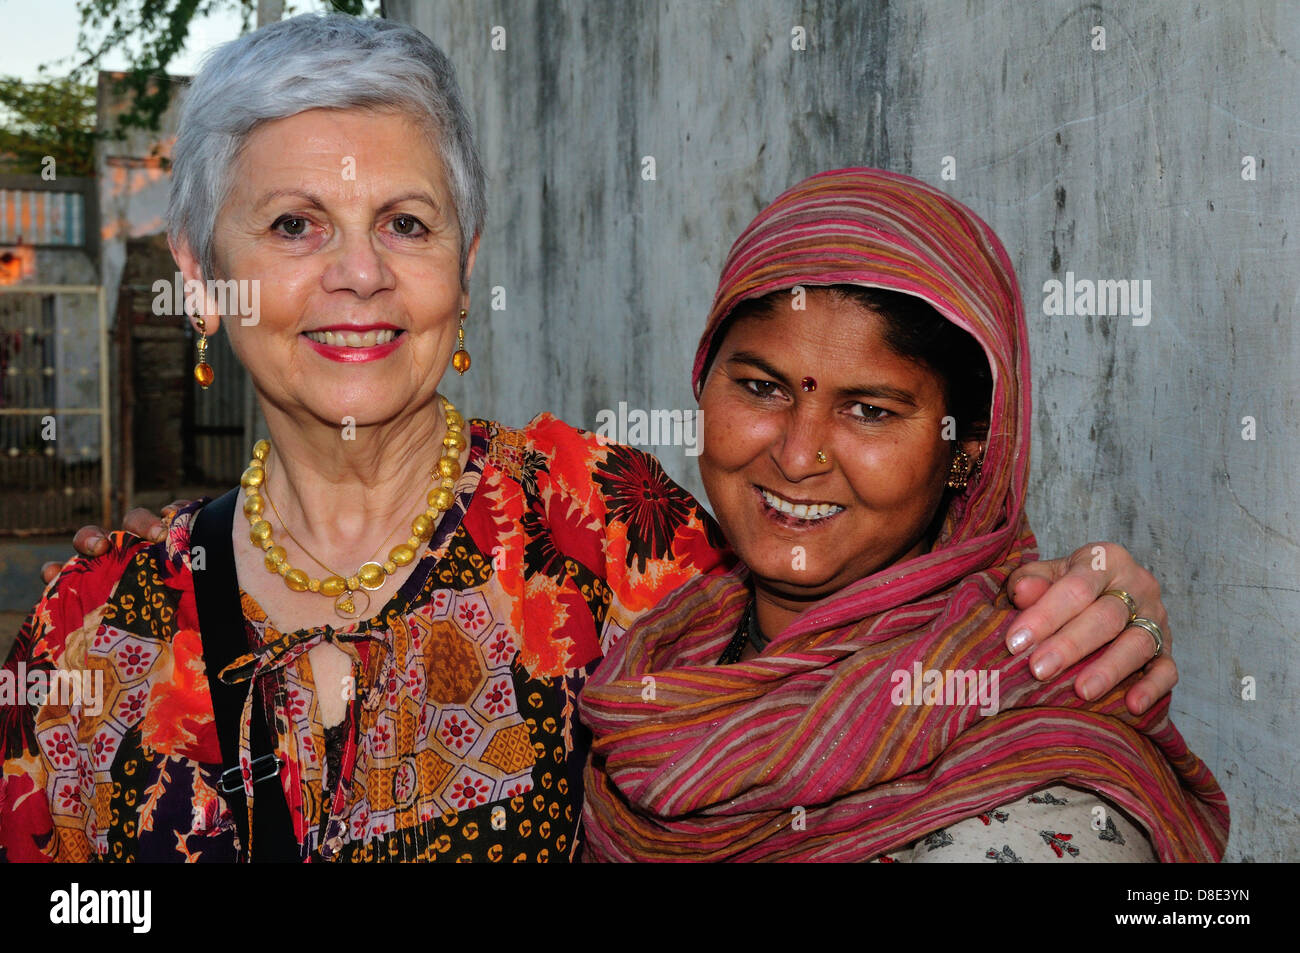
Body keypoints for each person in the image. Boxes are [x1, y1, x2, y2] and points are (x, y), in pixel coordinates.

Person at [4, 14, 1179, 864]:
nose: (357, 273)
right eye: (295, 223)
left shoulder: (615, 535)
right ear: (203, 280)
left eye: (404, 223)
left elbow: (864, 657)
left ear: (463, 270)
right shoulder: (92, 622)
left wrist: (1073, 605)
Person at [579, 168, 1228, 862]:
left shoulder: (1033, 740)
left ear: (967, 452)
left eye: (871, 410)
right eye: (761, 387)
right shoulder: (655, 638)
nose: (798, 456)